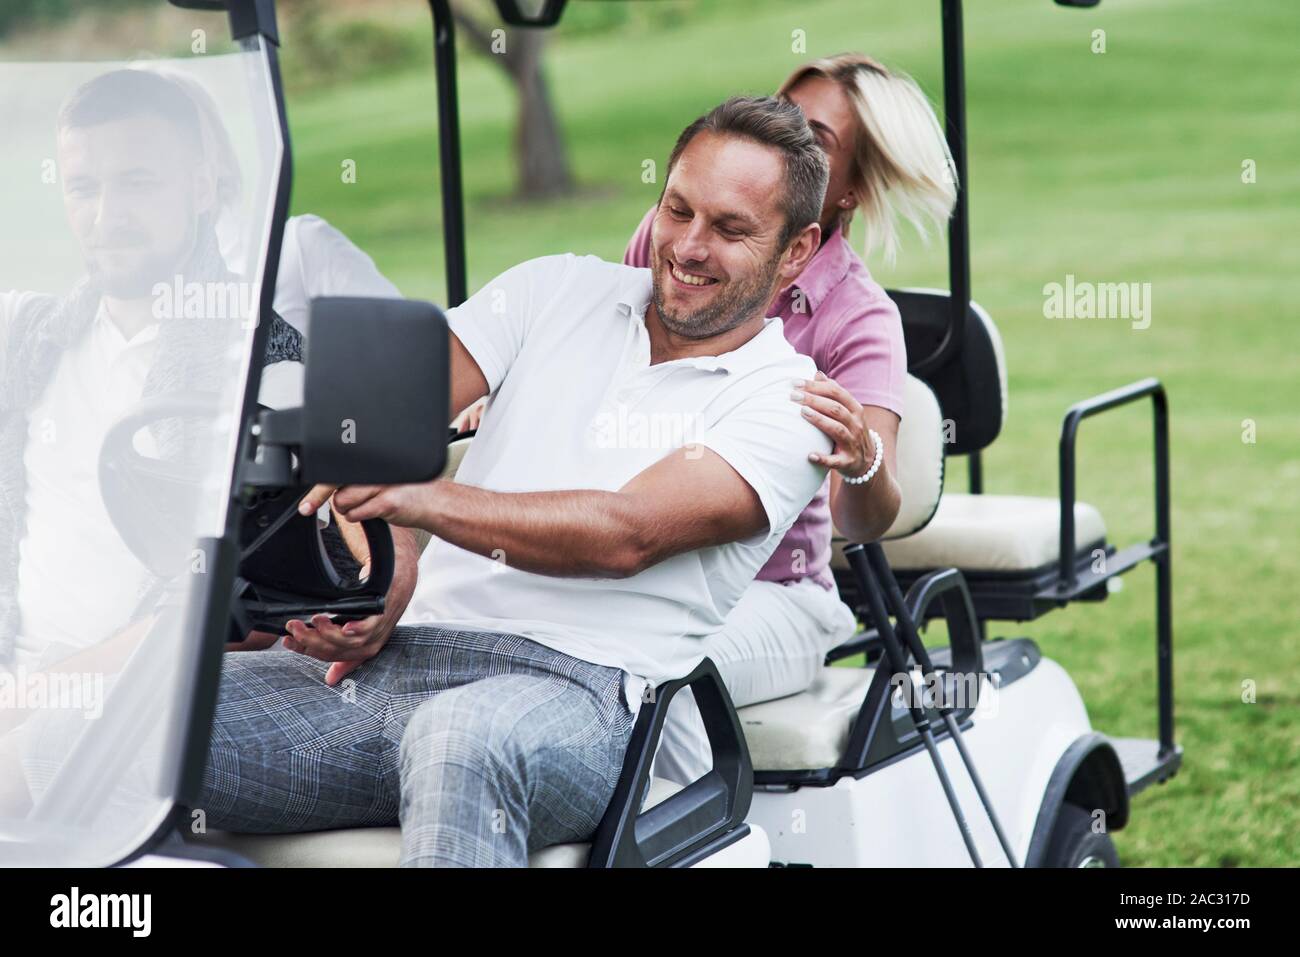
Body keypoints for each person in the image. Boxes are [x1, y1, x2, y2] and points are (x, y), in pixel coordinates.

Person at [193, 95, 833, 867]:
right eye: (677, 210)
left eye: (730, 229)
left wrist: (423, 499)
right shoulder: (555, 289)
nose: (689, 246)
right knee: (132, 723)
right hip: (393, 664)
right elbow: (385, 426)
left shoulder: (791, 403)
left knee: (458, 735)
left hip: (578, 697)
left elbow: (625, 533)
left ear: (796, 250)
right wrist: (391, 568)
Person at [0, 67, 416, 819]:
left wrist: (31, 700)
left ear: (200, 189)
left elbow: (234, 598)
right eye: (83, 187)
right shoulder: (30, 341)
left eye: (136, 183)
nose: (106, 214)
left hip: (136, 706)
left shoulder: (264, 363)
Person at [620, 54, 958, 781]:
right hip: (648, 565)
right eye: (783, 114)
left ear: (852, 192)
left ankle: (704, 847)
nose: (786, 143)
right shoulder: (672, 237)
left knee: (661, 682)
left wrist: (862, 456)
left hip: (775, 595)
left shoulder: (859, 318)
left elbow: (864, 517)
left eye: (818, 140)